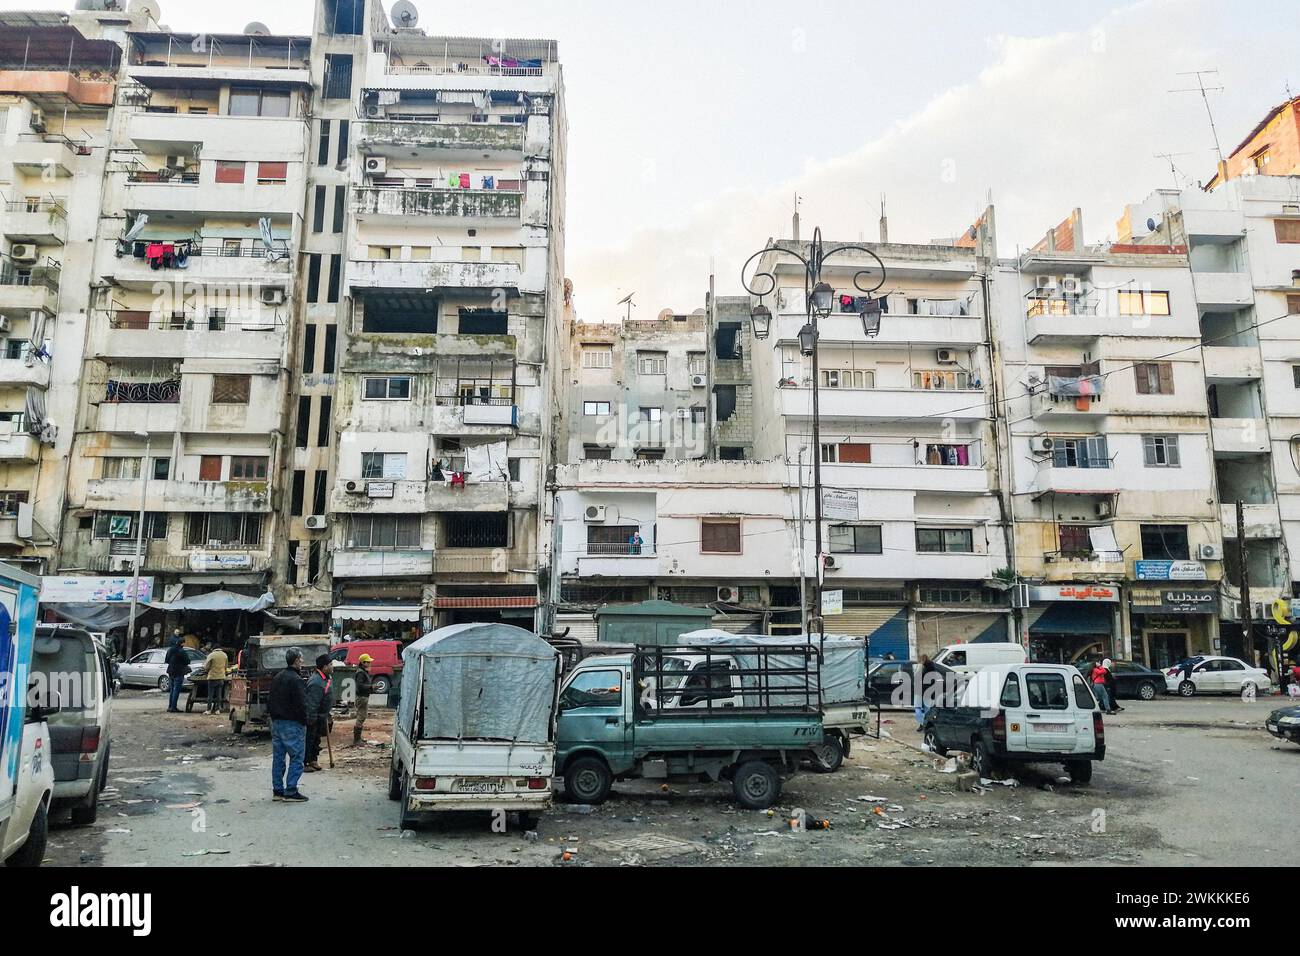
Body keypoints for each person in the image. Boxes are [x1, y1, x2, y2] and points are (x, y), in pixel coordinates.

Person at [268, 648, 309, 803]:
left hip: (277, 722)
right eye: (301, 659)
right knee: (297, 757)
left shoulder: (278, 677)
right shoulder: (296, 680)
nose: (302, 662)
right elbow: (301, 704)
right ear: (297, 660)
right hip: (292, 723)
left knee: (278, 758)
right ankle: (291, 790)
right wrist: (305, 721)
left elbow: (270, 699)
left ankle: (277, 790)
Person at [304, 655, 334, 772]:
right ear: (325, 666)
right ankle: (305, 761)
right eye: (330, 665)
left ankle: (313, 759)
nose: (332, 667)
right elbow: (312, 703)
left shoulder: (325, 678)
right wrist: (311, 719)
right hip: (314, 717)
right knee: (309, 740)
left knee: (316, 739)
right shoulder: (316, 682)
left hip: (321, 716)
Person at [163, 635, 190, 713]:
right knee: (176, 690)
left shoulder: (170, 650)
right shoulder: (181, 651)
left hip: (171, 671)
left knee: (172, 690)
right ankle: (173, 707)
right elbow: (187, 661)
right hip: (179, 672)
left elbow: (166, 660)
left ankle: (170, 706)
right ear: (182, 644)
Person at [352, 653, 374, 747]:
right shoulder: (361, 673)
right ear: (363, 662)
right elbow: (360, 686)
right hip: (361, 697)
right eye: (368, 662)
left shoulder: (363, 671)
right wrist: (371, 687)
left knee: (362, 716)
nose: (369, 663)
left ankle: (358, 738)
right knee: (361, 717)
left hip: (363, 697)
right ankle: (356, 740)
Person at [201, 644, 229, 714]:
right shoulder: (224, 655)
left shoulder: (211, 655)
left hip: (212, 677)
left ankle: (209, 710)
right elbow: (226, 666)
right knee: (218, 695)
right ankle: (217, 710)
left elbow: (206, 667)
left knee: (210, 695)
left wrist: (207, 670)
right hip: (221, 677)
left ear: (214, 649)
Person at [915, 655, 938, 731]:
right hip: (925, 691)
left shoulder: (926, 668)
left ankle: (923, 724)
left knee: (922, 708)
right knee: (924, 709)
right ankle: (924, 724)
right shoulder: (930, 667)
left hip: (924, 691)